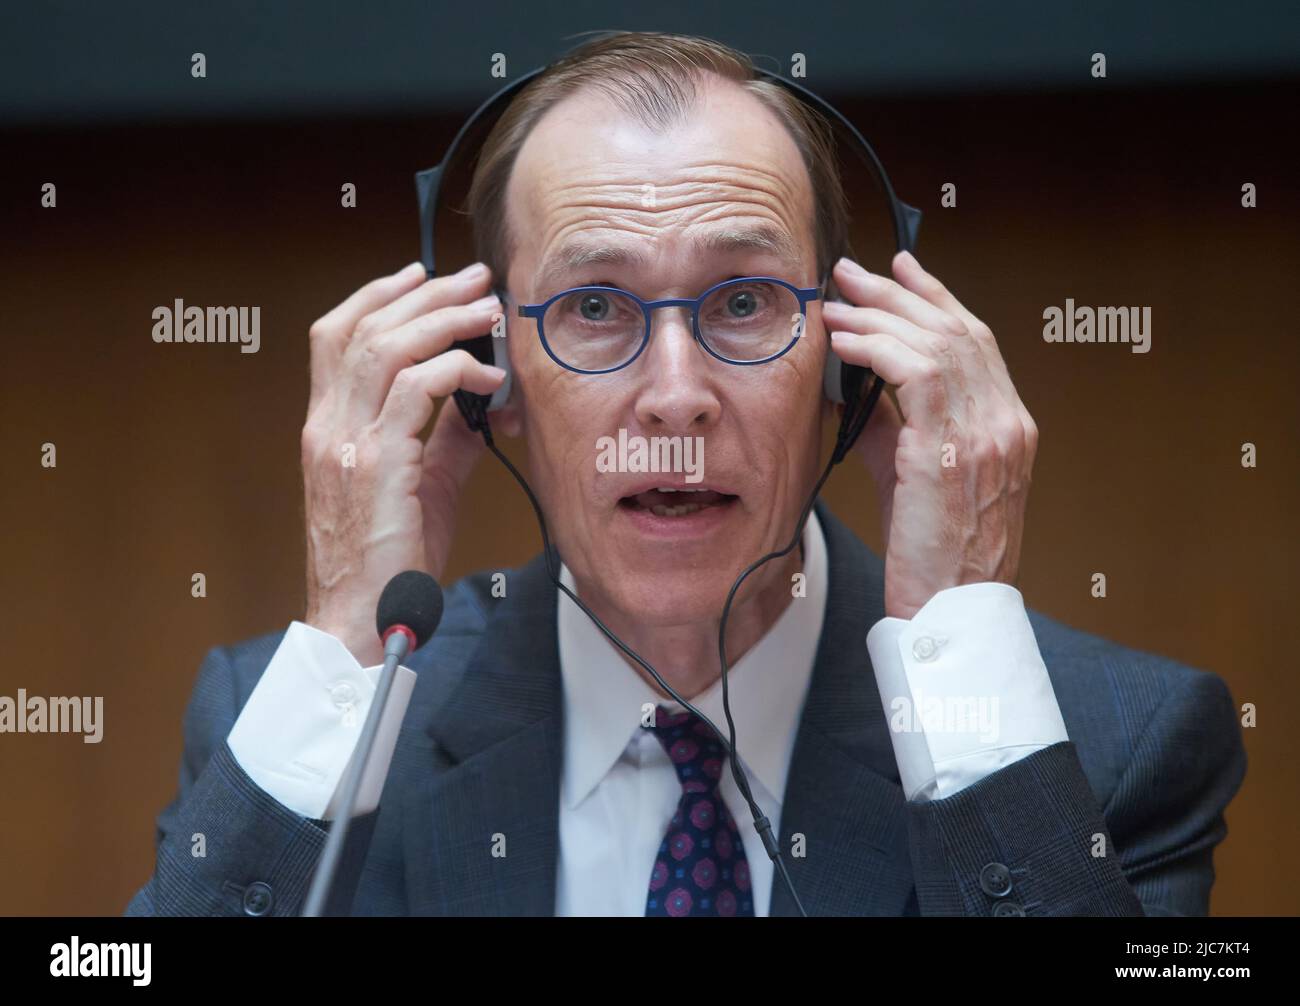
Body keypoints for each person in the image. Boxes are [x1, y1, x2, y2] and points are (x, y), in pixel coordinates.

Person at [128, 31, 1245, 917]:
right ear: (486, 377)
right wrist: (346, 647)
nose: (675, 393)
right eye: (595, 306)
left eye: (745, 301)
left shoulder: (1105, 747)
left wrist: (960, 666)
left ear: (846, 366)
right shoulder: (306, 736)